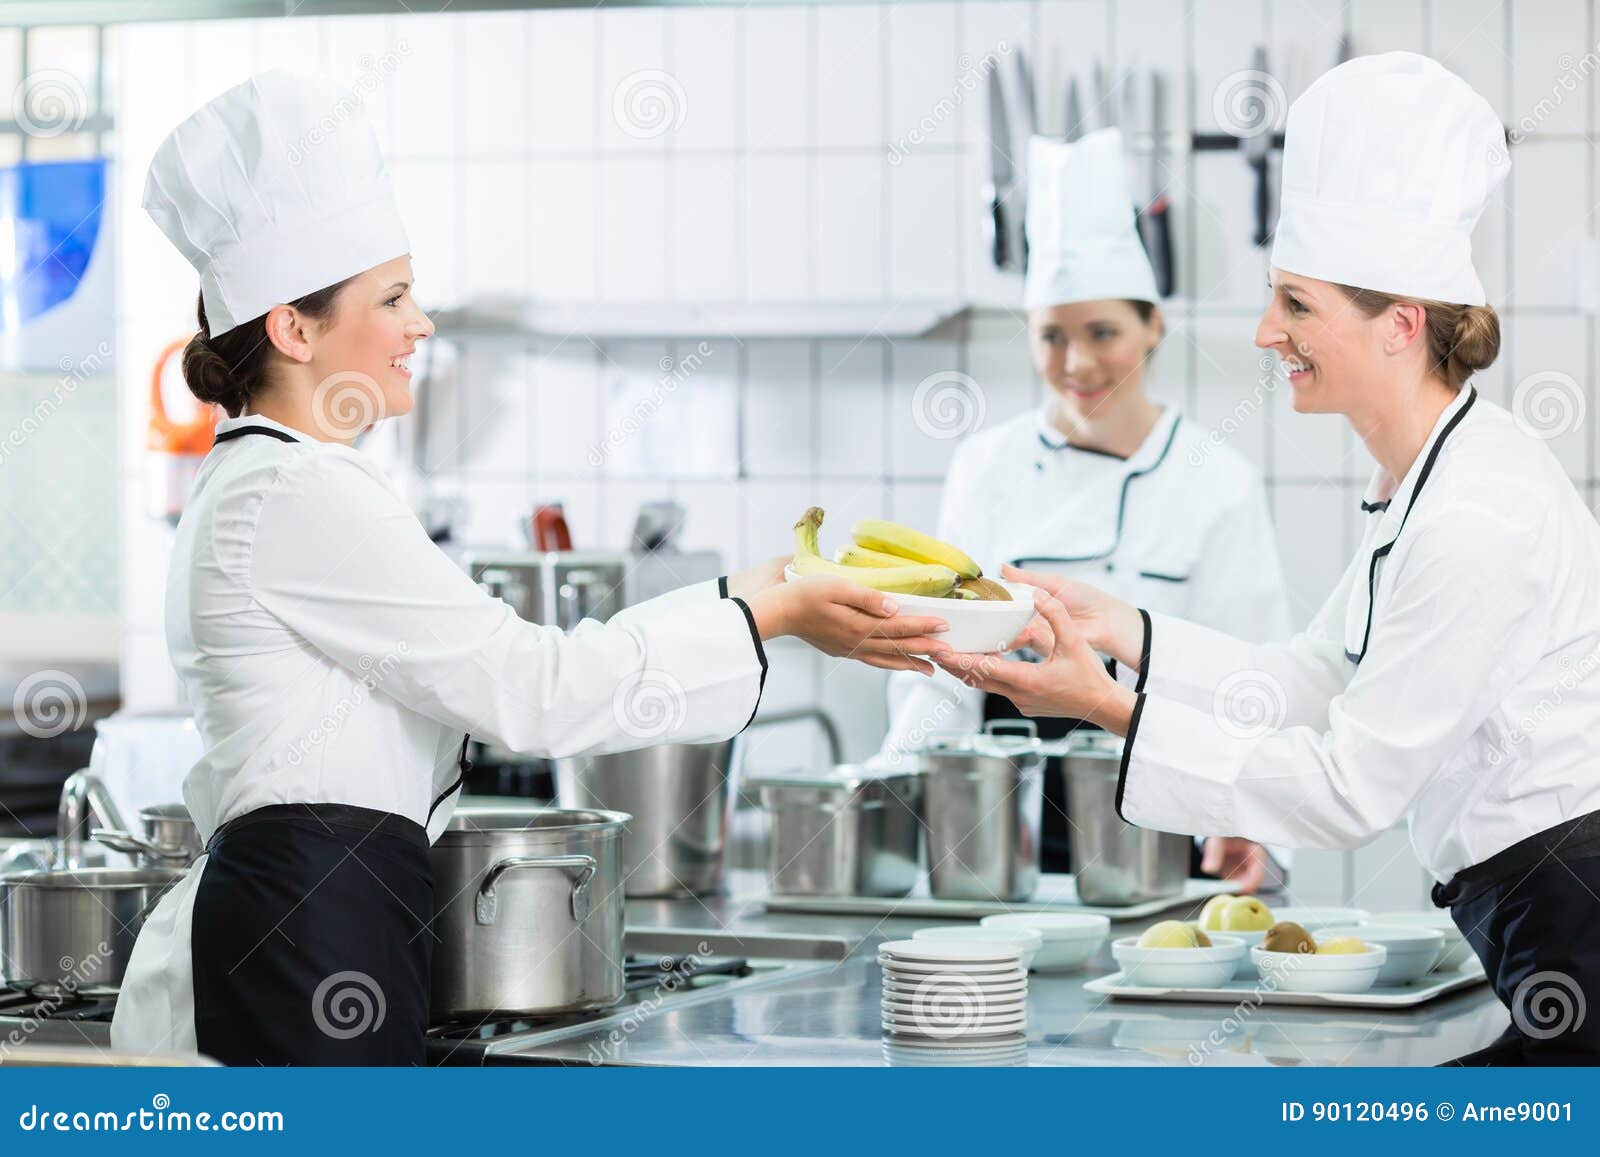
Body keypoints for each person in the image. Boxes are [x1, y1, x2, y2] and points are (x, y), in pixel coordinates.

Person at [111, 71, 951, 1066]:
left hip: (321, 927)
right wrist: (765, 615)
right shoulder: (295, 496)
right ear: (295, 328)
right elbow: (533, 690)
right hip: (302, 939)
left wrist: (746, 596)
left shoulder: (272, 481)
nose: (420, 324)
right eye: (392, 297)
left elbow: (513, 664)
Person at [937, 53, 1600, 1065]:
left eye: (1295, 304)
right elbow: (1309, 678)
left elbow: (1347, 788)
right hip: (1531, 914)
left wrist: (1106, 704)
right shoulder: (1425, 474)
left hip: (1572, 926)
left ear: (1399, 326)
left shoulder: (1475, 511)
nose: (1265, 332)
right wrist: (1122, 628)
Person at [876, 127, 1290, 890]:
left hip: (1167, 837)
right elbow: (936, 667)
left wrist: (1257, 826)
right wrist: (895, 799)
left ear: (1153, 326)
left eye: (1103, 332)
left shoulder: (1216, 479)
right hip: (1001, 849)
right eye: (1052, 336)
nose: (1077, 363)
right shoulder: (986, 465)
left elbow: (1250, 674)